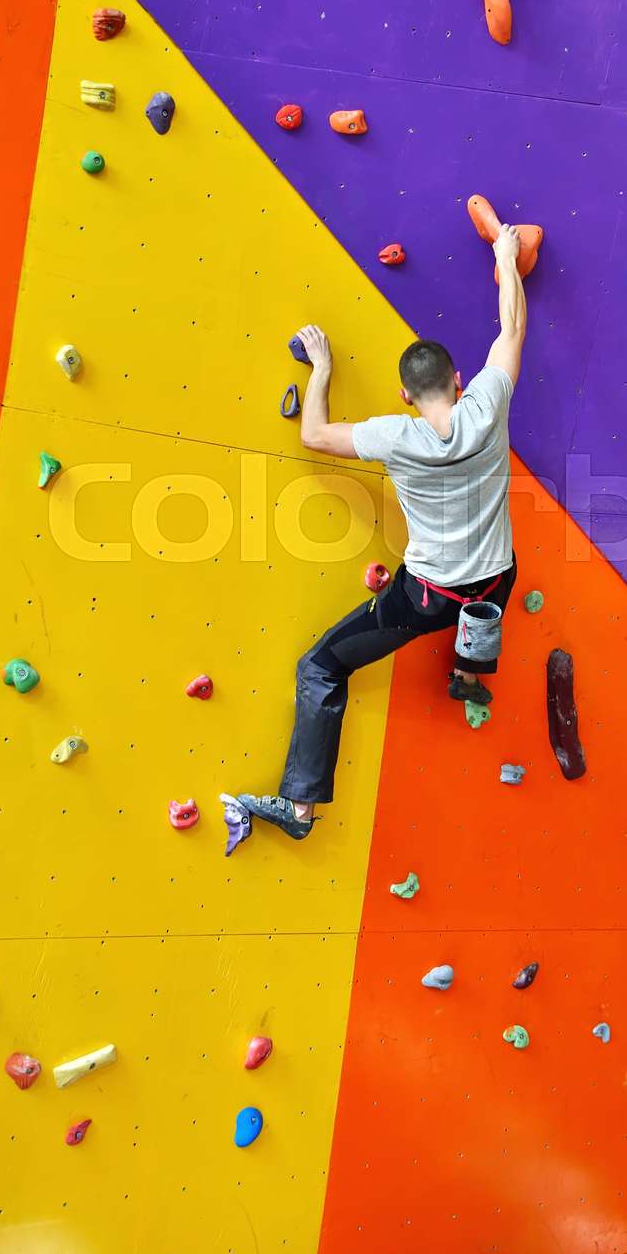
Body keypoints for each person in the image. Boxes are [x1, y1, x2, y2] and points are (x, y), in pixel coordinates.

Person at [223, 223, 528, 845]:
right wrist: (504, 255)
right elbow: (513, 329)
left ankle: (299, 810)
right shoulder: (488, 404)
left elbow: (314, 434)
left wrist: (323, 367)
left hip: (430, 598)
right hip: (497, 577)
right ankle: (468, 676)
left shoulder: (395, 434)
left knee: (319, 667)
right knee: (482, 603)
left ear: (405, 394)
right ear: (459, 380)